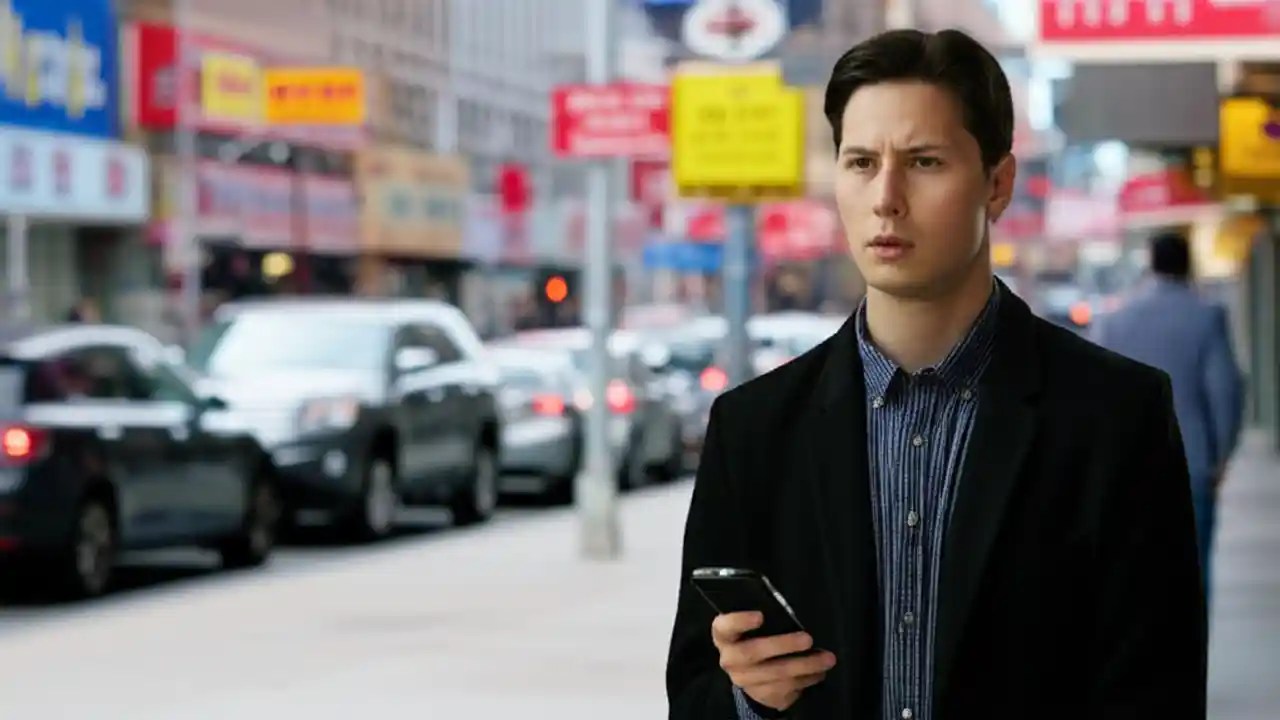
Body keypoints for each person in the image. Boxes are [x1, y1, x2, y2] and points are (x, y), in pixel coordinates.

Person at [666, 28, 1206, 720]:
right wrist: (747, 697)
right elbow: (693, 694)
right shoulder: (754, 428)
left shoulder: (1115, 415)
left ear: (998, 183)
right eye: (861, 162)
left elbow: (1157, 689)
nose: (886, 198)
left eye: (923, 162)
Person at [1091, 231, 1245, 607]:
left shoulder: (1114, 321)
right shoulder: (1207, 316)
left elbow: (1093, 398)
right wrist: (1221, 453)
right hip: (1192, 463)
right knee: (1192, 573)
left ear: (1152, 263)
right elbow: (1224, 389)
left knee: (1129, 576)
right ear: (1187, 263)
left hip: (1126, 468)